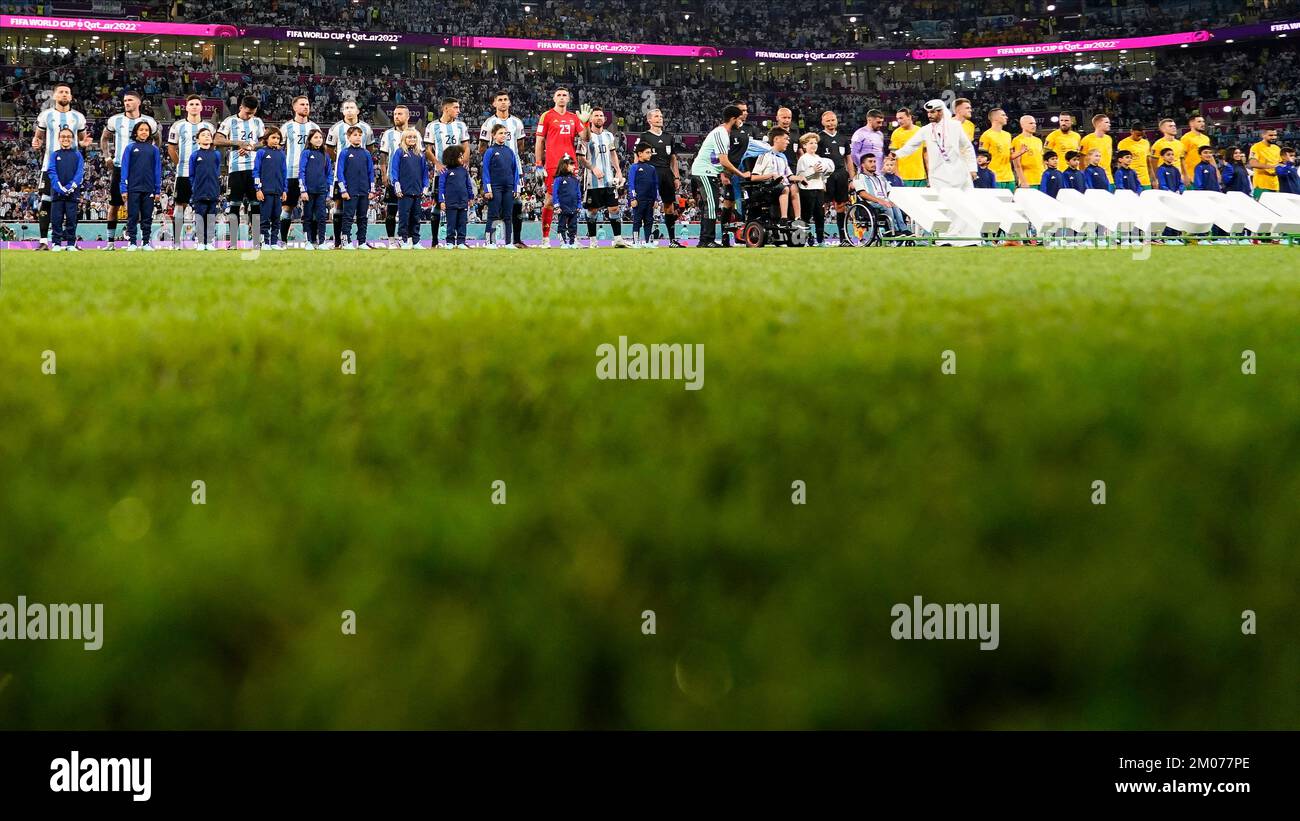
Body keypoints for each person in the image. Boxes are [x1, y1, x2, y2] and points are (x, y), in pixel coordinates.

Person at [32, 83, 90, 251]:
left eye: (67, 92)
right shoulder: (46, 115)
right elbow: (38, 137)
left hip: (71, 166)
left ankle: (71, 241)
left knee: (72, 203)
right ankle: (44, 241)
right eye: (61, 92)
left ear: (71, 96)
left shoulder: (78, 117)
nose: (64, 94)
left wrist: (83, 144)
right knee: (46, 201)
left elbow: (82, 140)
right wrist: (36, 142)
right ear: (55, 96)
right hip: (49, 165)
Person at [101, 90, 158, 249]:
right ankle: (110, 242)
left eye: (130, 100)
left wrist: (150, 156)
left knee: (139, 207)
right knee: (114, 204)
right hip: (120, 168)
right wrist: (107, 157)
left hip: (141, 171)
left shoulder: (149, 122)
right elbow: (104, 138)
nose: (126, 103)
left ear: (139, 102)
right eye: (125, 100)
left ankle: (140, 241)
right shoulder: (115, 120)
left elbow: (158, 139)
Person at [689, 104, 752, 248]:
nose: (740, 122)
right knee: (711, 205)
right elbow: (723, 161)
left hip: (708, 172)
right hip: (704, 171)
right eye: (739, 119)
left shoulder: (723, 133)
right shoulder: (721, 133)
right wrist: (741, 174)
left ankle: (704, 240)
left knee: (710, 205)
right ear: (733, 119)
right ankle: (708, 240)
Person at [534, 88, 586, 247]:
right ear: (554, 98)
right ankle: (546, 238)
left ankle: (571, 237)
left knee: (571, 200)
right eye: (559, 95)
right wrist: (538, 164)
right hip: (553, 164)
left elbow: (586, 138)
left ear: (568, 99)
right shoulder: (547, 116)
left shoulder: (574, 117)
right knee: (550, 200)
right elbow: (539, 141)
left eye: (564, 95)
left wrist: (585, 123)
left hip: (570, 164)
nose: (562, 97)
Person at [479, 90, 528, 248]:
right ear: (494, 103)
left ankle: (516, 240)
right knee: (494, 208)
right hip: (496, 171)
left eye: (505, 99)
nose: (503, 102)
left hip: (513, 168)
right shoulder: (488, 123)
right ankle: (491, 240)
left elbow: (521, 146)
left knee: (517, 203)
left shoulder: (517, 122)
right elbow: (482, 147)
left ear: (509, 102)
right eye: (499, 100)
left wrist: (510, 160)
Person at [893, 100, 977, 191]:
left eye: (932, 112)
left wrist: (972, 168)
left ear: (941, 112)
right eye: (928, 112)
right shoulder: (926, 129)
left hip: (957, 172)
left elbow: (967, 148)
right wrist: (896, 154)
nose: (929, 115)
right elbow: (911, 146)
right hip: (937, 175)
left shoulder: (955, 126)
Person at [168, 95, 216, 249]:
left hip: (203, 176)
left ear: (201, 107)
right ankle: (176, 242)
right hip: (183, 174)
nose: (194, 106)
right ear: (186, 107)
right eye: (191, 104)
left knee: (204, 207)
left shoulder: (209, 127)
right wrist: (180, 165)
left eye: (197, 104)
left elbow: (212, 149)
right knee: (180, 207)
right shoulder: (178, 126)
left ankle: (203, 240)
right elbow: (171, 148)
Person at [216, 95, 265, 249]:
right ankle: (233, 242)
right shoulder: (229, 121)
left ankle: (256, 241)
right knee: (234, 205)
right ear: (241, 107)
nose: (249, 116)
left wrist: (251, 146)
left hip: (254, 170)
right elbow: (217, 140)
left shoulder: (258, 122)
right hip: (236, 169)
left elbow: (264, 141)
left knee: (255, 205)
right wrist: (238, 143)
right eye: (247, 112)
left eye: (252, 113)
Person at [325, 100, 374, 249]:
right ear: (342, 111)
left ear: (358, 110)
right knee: (340, 208)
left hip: (361, 179)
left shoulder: (366, 128)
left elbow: (370, 149)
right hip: (342, 178)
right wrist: (343, 163)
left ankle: (361, 241)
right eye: (346, 108)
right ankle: (339, 242)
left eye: (352, 107)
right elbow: (329, 149)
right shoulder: (336, 128)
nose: (349, 110)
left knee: (361, 214)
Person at [425, 97, 471, 249]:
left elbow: (466, 147)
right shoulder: (432, 126)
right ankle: (435, 241)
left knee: (460, 206)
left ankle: (460, 240)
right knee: (438, 205)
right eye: (455, 108)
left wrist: (464, 162)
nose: (458, 111)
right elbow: (428, 150)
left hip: (458, 173)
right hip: (441, 172)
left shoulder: (461, 125)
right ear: (446, 108)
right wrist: (437, 163)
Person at [580, 106, 627, 248]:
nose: (599, 118)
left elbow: (613, 154)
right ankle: (593, 241)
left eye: (601, 115)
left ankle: (618, 239)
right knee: (592, 210)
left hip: (609, 180)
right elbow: (581, 158)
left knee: (614, 208)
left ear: (605, 119)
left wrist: (618, 171)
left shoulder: (609, 136)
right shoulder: (585, 136)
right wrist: (593, 168)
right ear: (591, 119)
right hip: (592, 181)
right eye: (596, 115)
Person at [638, 108, 685, 248]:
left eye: (661, 116)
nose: (660, 118)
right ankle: (647, 239)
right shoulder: (645, 136)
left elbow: (673, 158)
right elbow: (638, 156)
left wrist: (676, 177)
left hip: (666, 173)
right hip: (651, 172)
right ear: (649, 120)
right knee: (649, 205)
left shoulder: (668, 136)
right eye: (656, 116)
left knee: (669, 205)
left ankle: (672, 240)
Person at [279, 95, 320, 246]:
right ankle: (283, 241)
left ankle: (312, 241)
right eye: (302, 104)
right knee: (287, 207)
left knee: (312, 208)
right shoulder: (287, 127)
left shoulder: (314, 127)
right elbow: (278, 148)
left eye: (307, 104)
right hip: (291, 173)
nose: (306, 107)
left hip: (311, 175)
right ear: (294, 107)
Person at [379, 106, 422, 248]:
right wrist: (384, 175)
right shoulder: (388, 134)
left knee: (410, 212)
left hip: (410, 181)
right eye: (395, 114)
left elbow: (420, 156)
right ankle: (391, 240)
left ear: (408, 116)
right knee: (391, 211)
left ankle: (409, 239)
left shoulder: (415, 134)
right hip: (393, 178)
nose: (396, 116)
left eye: (400, 114)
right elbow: (383, 156)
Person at [119, 120, 162, 250]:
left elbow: (157, 170)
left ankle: (146, 242)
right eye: (141, 129)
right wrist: (123, 188)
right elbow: (125, 168)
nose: (144, 132)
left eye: (146, 130)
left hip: (149, 188)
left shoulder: (154, 150)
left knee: (147, 217)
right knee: (132, 216)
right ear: (136, 132)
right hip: (133, 188)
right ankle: (132, 242)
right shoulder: (130, 148)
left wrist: (157, 190)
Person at [816, 110, 855, 246]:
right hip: (826, 176)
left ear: (837, 121)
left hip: (841, 174)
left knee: (841, 205)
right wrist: (819, 179)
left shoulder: (843, 138)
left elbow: (848, 159)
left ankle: (843, 238)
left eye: (833, 120)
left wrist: (852, 179)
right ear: (822, 122)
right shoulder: (819, 138)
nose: (831, 123)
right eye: (828, 120)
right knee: (823, 205)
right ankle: (820, 239)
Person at [481, 123, 522, 249]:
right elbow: (485, 171)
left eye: (505, 133)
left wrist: (516, 188)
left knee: (508, 216)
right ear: (493, 135)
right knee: (493, 215)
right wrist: (487, 189)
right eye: (500, 133)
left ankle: (508, 242)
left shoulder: (510, 151)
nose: (503, 135)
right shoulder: (490, 151)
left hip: (508, 187)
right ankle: (490, 242)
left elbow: (515, 171)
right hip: (495, 187)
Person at [336, 125, 375, 250]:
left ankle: (362, 242)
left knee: (363, 218)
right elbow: (340, 172)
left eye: (359, 135)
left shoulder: (366, 153)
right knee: (348, 217)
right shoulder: (344, 153)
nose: (358, 137)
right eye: (355, 135)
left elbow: (371, 172)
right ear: (348, 137)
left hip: (364, 191)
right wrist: (343, 190)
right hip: (350, 191)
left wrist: (372, 190)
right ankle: (345, 241)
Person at [46, 127, 84, 251]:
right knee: (56, 219)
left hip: (72, 194)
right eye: (63, 136)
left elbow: (79, 173)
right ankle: (56, 243)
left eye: (68, 136)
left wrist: (70, 187)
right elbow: (51, 172)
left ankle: (71, 244)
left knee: (71, 220)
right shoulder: (54, 154)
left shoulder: (77, 155)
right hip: (57, 193)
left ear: (72, 139)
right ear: (59, 139)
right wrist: (60, 188)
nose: (65, 139)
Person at [750, 127, 798, 222]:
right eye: (786, 139)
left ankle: (798, 218)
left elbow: (789, 176)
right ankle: (784, 219)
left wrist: (801, 177)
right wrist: (771, 175)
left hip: (780, 186)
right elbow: (754, 177)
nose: (788, 142)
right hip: (766, 188)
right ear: (776, 139)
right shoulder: (764, 155)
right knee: (784, 188)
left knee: (795, 187)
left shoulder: (783, 157)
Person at [390, 128, 428, 249]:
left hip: (417, 191)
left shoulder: (420, 154)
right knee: (404, 217)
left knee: (416, 217)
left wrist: (425, 187)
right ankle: (403, 239)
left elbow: (425, 173)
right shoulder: (399, 152)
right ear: (404, 139)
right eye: (409, 137)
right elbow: (394, 170)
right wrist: (397, 186)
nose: (412, 139)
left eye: (414, 137)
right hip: (404, 191)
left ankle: (415, 241)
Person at [851, 153, 905, 236]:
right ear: (863, 165)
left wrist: (893, 201)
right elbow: (862, 193)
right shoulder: (859, 177)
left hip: (884, 201)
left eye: (874, 162)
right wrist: (879, 201)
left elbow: (889, 192)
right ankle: (892, 230)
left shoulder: (881, 178)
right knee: (887, 206)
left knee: (895, 205)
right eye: (870, 162)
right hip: (870, 204)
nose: (873, 164)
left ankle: (904, 229)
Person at [187, 127, 222, 250]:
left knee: (211, 217)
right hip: (199, 192)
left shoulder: (216, 154)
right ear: (197, 140)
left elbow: (217, 172)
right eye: (203, 135)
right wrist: (195, 187)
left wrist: (216, 187)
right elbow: (191, 175)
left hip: (213, 191)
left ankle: (209, 242)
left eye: (208, 135)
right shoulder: (195, 155)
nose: (206, 136)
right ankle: (201, 242)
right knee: (200, 217)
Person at [253, 129, 288, 250]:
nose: (276, 140)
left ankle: (273, 242)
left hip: (278, 191)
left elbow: (284, 173)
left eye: (278, 138)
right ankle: (264, 242)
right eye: (273, 138)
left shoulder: (281, 154)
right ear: (266, 138)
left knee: (277, 218)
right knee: (265, 218)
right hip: (265, 191)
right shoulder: (261, 152)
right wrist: (258, 189)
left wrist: (284, 190)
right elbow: (256, 172)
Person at [297, 128, 332, 249]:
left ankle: (322, 242)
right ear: (310, 140)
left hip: (321, 191)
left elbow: (329, 174)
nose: (319, 140)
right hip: (308, 191)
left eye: (320, 137)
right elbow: (301, 172)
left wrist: (328, 191)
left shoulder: (325, 155)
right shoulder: (306, 153)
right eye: (316, 137)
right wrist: (303, 190)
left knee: (322, 217)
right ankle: (308, 241)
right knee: (308, 216)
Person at [796, 133, 833, 246]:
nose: (814, 145)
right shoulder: (803, 159)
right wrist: (813, 170)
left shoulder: (819, 158)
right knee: (806, 215)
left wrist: (824, 181)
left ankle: (821, 240)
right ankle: (801, 240)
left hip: (819, 189)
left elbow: (823, 175)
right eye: (811, 143)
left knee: (820, 215)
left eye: (815, 143)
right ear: (804, 145)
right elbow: (799, 176)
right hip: (807, 190)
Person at [438, 145, 474, 250]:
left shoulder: (464, 171)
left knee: (462, 223)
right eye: (460, 156)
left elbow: (468, 185)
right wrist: (442, 201)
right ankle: (450, 242)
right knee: (451, 223)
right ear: (452, 157)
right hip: (450, 202)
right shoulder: (445, 171)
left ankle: (461, 242)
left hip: (463, 202)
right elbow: (441, 187)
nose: (462, 158)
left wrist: (471, 198)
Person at [627, 142, 660, 247]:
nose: (650, 155)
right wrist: (632, 198)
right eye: (647, 152)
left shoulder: (652, 168)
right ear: (640, 153)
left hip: (650, 200)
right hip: (638, 199)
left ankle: (648, 242)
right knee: (637, 221)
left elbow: (655, 185)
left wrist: (656, 199)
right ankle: (635, 242)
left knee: (649, 221)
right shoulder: (634, 167)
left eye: (650, 153)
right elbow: (631, 184)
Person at [979, 108, 1015, 189]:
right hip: (994, 177)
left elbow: (1010, 156)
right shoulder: (986, 135)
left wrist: (1020, 152)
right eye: (1003, 115)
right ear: (995, 118)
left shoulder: (1007, 135)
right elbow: (981, 158)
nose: (1006, 117)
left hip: (1009, 177)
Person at [551, 157, 583, 249]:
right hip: (563, 207)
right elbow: (555, 193)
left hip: (573, 206)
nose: (574, 166)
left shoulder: (575, 180)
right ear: (564, 165)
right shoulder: (558, 179)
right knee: (562, 225)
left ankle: (573, 242)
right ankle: (563, 242)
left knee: (573, 225)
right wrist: (556, 206)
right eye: (571, 164)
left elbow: (578, 193)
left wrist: (579, 205)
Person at [850, 109, 886, 189]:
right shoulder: (859, 133)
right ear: (869, 120)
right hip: (865, 174)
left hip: (879, 174)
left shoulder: (880, 134)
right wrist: (863, 167)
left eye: (881, 122)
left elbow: (881, 152)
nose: (880, 125)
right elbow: (854, 154)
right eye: (878, 122)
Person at [889, 108, 926, 187]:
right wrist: (897, 176)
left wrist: (929, 174)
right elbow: (893, 158)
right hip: (904, 177)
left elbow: (925, 155)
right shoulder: (896, 133)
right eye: (897, 119)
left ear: (909, 117)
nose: (899, 121)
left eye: (901, 118)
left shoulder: (921, 132)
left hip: (921, 176)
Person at [1149, 119, 1184, 192]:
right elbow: (1152, 164)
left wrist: (1184, 175)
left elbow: (1181, 161)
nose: (1174, 127)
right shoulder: (1158, 144)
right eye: (1170, 126)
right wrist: (1155, 179)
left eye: (1174, 126)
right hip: (1165, 177)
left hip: (1177, 177)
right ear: (1163, 129)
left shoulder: (1180, 144)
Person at [1010, 115, 1044, 189]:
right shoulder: (1017, 140)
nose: (1034, 125)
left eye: (1034, 123)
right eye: (1031, 123)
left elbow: (1042, 161)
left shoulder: (1038, 141)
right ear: (1022, 125)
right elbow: (1016, 164)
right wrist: (1023, 181)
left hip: (1041, 179)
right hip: (1028, 181)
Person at [1080, 114, 1114, 186]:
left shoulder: (1109, 139)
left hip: (1109, 178)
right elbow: (1081, 160)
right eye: (1106, 122)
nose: (1109, 124)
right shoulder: (1087, 139)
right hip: (1093, 178)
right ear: (1098, 124)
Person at [1116, 123, 1152, 190]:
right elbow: (1119, 162)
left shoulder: (1146, 143)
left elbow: (1148, 161)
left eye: (1141, 135)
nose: (1140, 137)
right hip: (1130, 177)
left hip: (1145, 179)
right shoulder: (1123, 143)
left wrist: (1153, 178)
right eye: (1138, 135)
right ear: (1131, 131)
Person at [1248, 128, 1281, 198]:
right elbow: (1252, 163)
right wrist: (1272, 167)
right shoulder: (1256, 147)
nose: (1274, 137)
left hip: (1275, 185)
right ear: (1263, 135)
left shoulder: (1277, 148)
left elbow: (1280, 164)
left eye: (1275, 135)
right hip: (1261, 186)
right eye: (1271, 135)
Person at [1180, 114, 1210, 184]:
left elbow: (1210, 157)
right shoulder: (1186, 138)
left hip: (1206, 173)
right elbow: (1181, 158)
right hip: (1192, 175)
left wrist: (1216, 171)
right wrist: (1185, 175)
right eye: (1199, 122)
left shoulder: (1206, 138)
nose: (1202, 124)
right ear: (1191, 124)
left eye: (1203, 121)